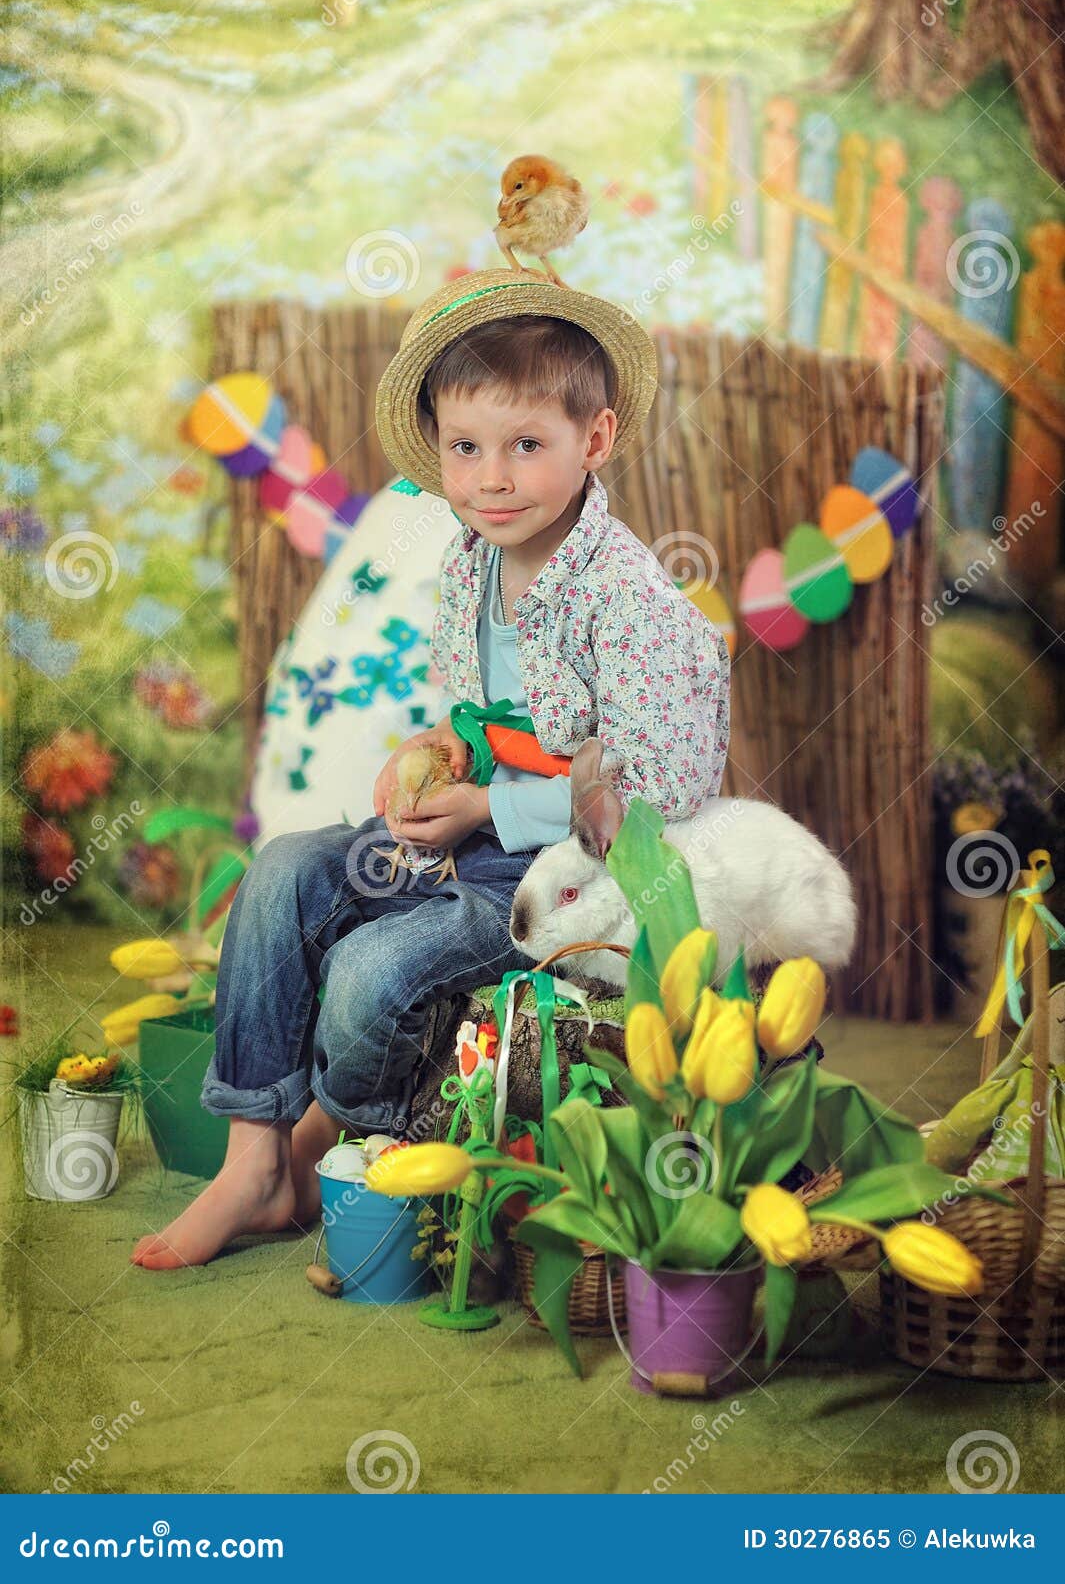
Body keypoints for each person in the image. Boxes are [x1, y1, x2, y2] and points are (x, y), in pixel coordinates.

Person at [131, 269, 730, 1270]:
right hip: (468, 832)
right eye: (465, 449)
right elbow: (471, 707)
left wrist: (485, 807)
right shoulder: (471, 563)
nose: (491, 479)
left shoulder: (632, 601)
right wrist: (440, 751)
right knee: (283, 870)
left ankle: (335, 1135)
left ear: (596, 439)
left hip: (559, 879)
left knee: (374, 966)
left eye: (525, 446)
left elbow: (660, 788)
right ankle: (252, 1157)